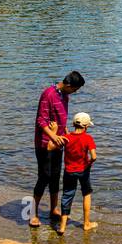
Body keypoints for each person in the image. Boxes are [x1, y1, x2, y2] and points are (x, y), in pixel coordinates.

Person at [32, 71, 84, 228]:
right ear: (68, 85)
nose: (75, 92)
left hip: (59, 141)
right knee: (44, 177)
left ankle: (53, 209)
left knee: (55, 176)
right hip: (44, 143)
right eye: (74, 89)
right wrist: (53, 136)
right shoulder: (48, 94)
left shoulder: (64, 95)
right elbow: (41, 120)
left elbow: (60, 118)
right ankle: (33, 214)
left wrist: (65, 131)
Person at [57, 112, 97, 234]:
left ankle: (62, 227)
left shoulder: (66, 137)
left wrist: (67, 134)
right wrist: (89, 163)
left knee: (67, 195)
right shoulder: (88, 138)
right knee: (86, 193)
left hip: (69, 171)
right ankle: (86, 224)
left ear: (74, 124)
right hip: (83, 170)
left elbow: (68, 141)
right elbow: (94, 156)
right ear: (86, 126)